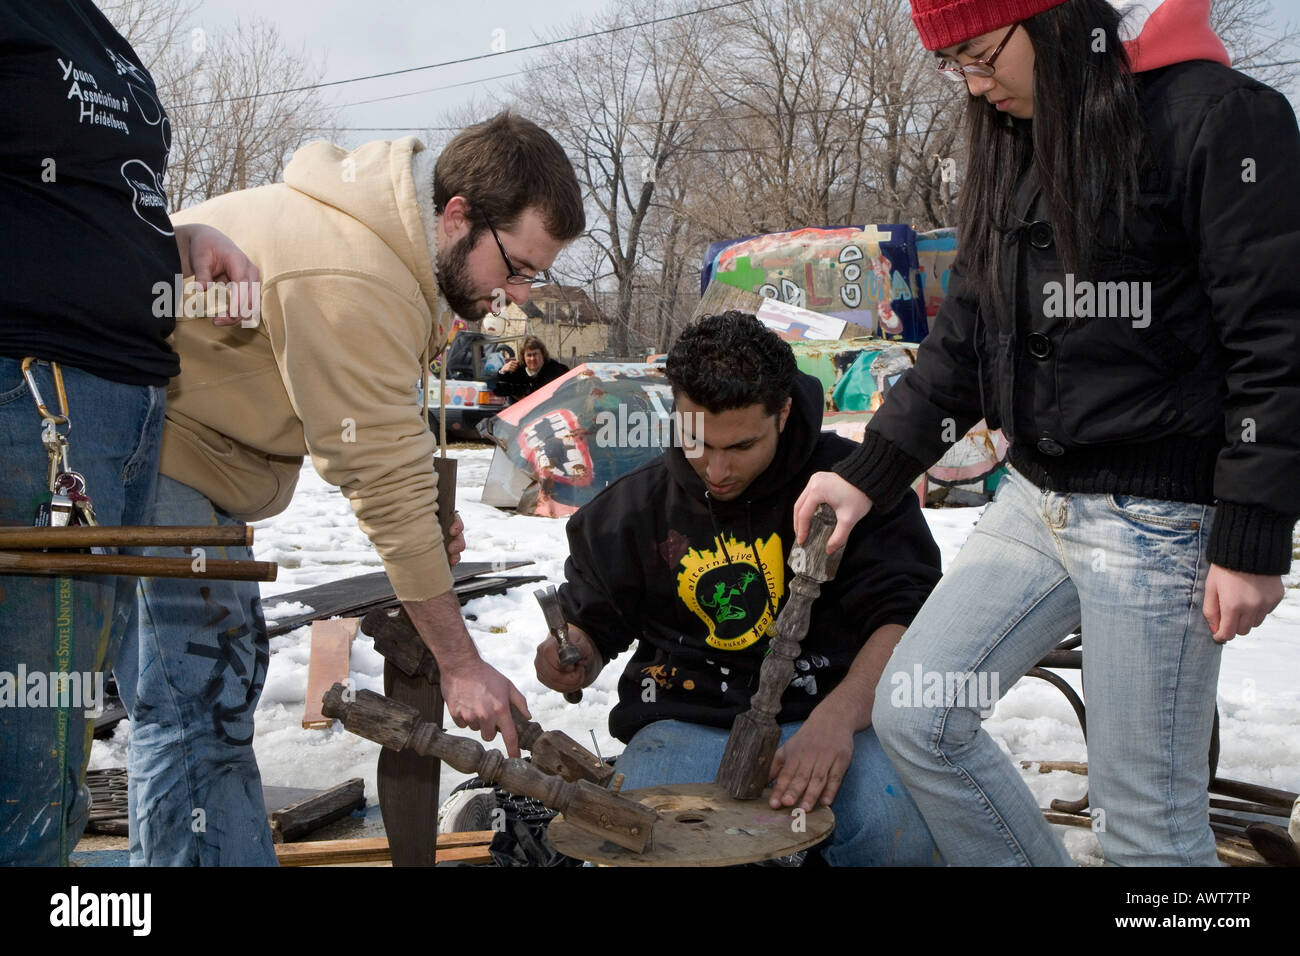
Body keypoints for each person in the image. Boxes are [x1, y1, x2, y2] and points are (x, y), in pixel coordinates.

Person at [795, 0, 1300, 865]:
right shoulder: (1025, 138)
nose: (976, 84)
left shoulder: (1216, 116)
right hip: (1036, 501)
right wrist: (871, 469)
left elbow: (1278, 334)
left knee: (1144, 822)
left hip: (1157, 517)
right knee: (918, 715)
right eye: (953, 65)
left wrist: (1253, 531)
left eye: (983, 54)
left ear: (1059, 23)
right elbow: (969, 331)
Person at [114, 112, 587, 865]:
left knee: (214, 703)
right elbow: (383, 482)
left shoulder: (408, 257)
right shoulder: (352, 274)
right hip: (149, 451)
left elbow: (388, 448)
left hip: (193, 459)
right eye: (518, 266)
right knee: (194, 709)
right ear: (458, 214)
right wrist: (461, 662)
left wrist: (427, 546)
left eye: (537, 274)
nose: (520, 295)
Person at [535, 311, 944, 865]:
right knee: (639, 850)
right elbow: (592, 618)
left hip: (833, 712)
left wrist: (839, 718)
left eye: (742, 446)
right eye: (698, 441)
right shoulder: (633, 509)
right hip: (685, 721)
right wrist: (573, 652)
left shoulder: (854, 487)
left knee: (896, 838)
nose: (717, 469)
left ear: (783, 412)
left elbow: (907, 615)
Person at [0, 0, 257, 866]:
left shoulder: (88, 27)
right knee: (25, 760)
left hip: (123, 398)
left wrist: (170, 237)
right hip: (34, 392)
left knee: (57, 731)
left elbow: (73, 186)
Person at [490, 335, 569, 402]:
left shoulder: (556, 371)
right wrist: (502, 371)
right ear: (523, 357)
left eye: (535, 354)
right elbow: (497, 389)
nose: (532, 358)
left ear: (542, 354)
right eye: (529, 355)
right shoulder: (517, 370)